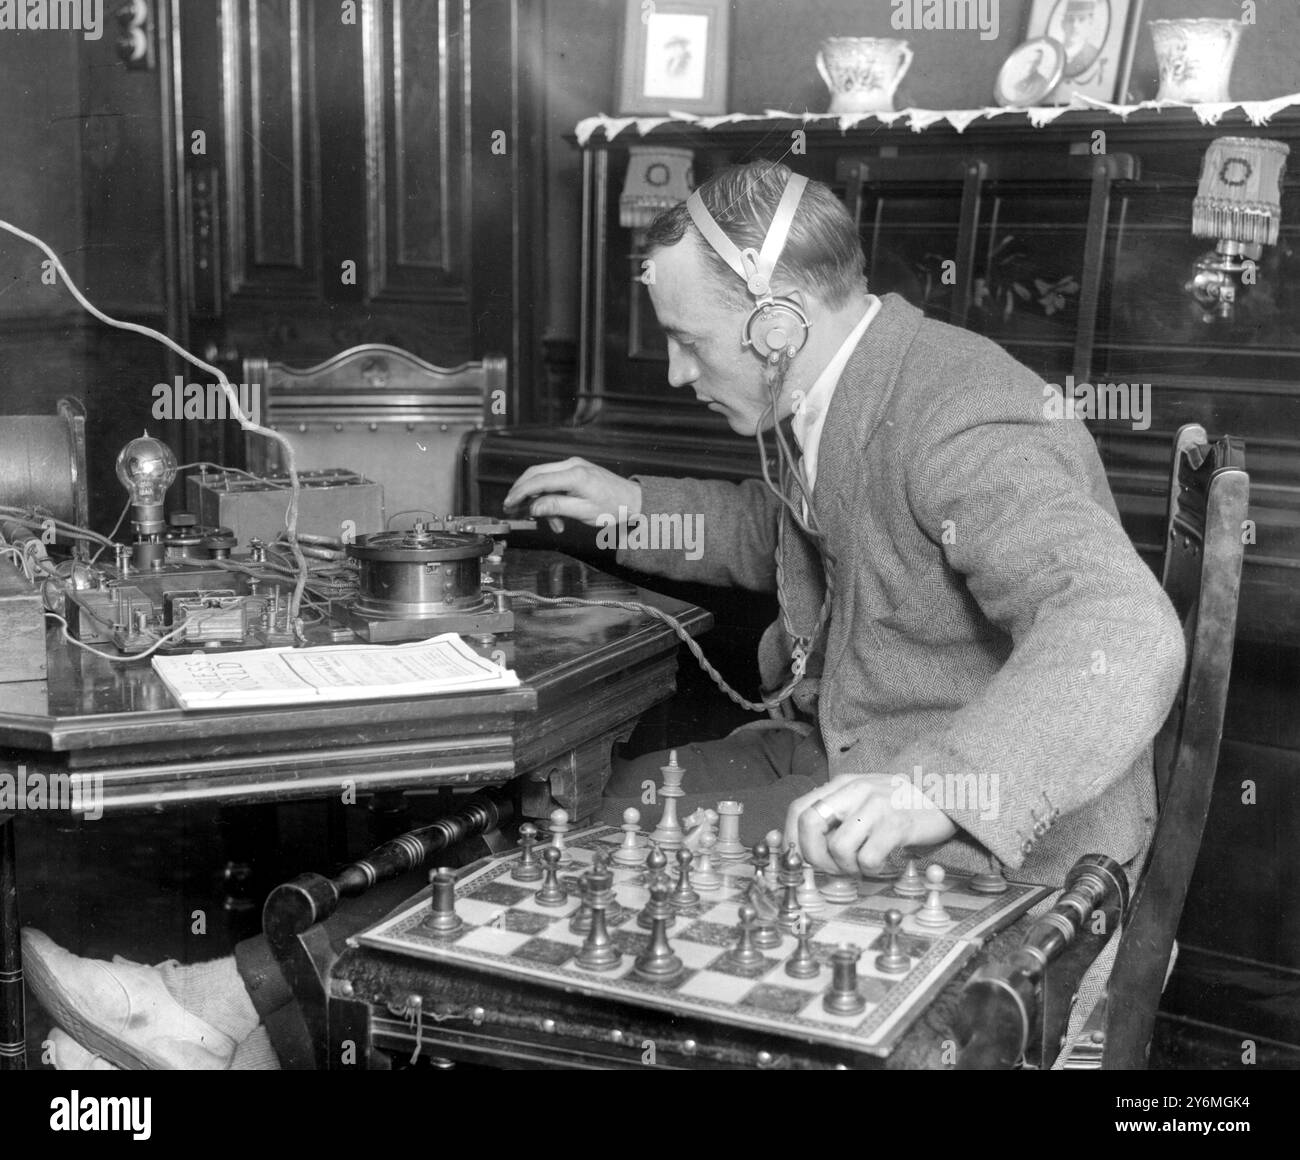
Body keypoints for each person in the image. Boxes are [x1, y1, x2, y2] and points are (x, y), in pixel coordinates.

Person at [22, 160, 1183, 1070]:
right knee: (565, 813)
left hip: (988, 835)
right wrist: (635, 508)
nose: (677, 374)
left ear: (777, 321)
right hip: (853, 754)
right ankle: (221, 1009)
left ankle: (210, 1011)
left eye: (689, 340)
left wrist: (938, 786)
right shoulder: (846, 388)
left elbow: (1121, 629)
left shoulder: (962, 409)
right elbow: (792, 529)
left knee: (572, 865)